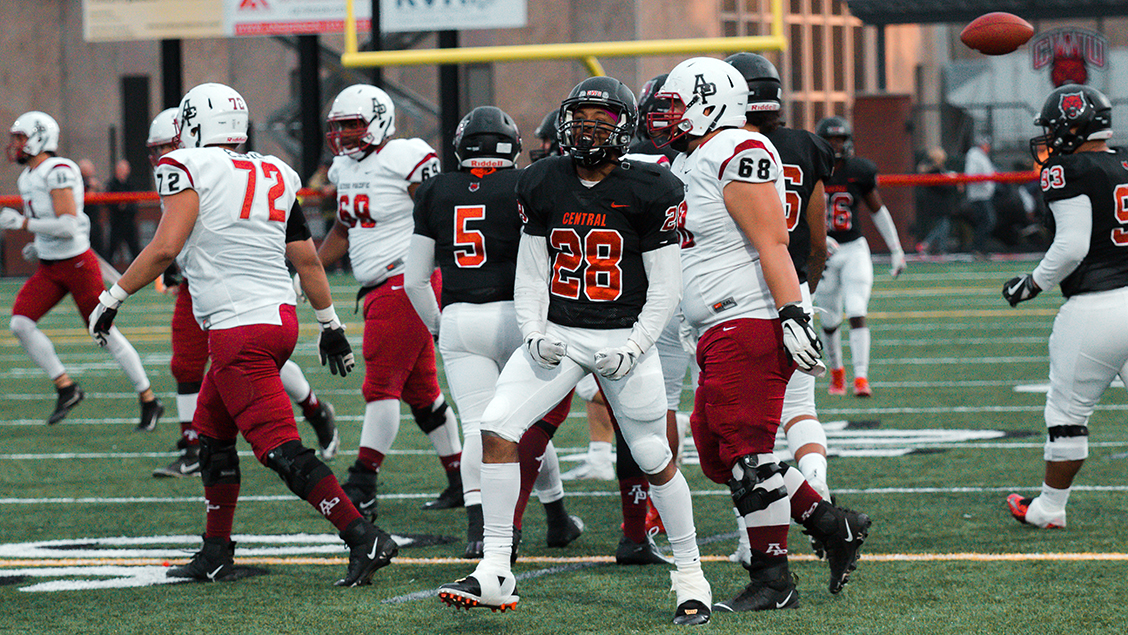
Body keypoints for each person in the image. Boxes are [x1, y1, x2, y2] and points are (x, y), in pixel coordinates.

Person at [87, 82, 396, 586]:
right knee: (212, 436)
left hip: (238, 329)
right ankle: (216, 550)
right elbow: (306, 259)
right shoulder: (275, 170)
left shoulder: (188, 168)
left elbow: (166, 248)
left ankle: (362, 535)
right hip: (278, 321)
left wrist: (111, 298)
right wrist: (331, 325)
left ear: (194, 124)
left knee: (279, 449)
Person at [438, 75, 712, 624]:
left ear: (624, 126)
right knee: (495, 429)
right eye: (581, 118)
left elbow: (665, 286)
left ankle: (691, 575)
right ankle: (495, 569)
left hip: (622, 337)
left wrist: (635, 347)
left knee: (654, 457)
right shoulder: (541, 181)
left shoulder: (651, 189)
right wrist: (533, 330)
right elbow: (533, 270)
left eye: (601, 120)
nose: (588, 128)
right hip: (561, 334)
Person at [648, 56, 870, 612]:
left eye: (676, 105)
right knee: (721, 454)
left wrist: (793, 313)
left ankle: (774, 580)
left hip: (747, 317)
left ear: (708, 103)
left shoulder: (736, 149)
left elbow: (774, 242)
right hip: (716, 323)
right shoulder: (698, 156)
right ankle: (831, 522)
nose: (668, 117)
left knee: (747, 455)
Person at [404, 105, 583, 559]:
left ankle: (485, 530)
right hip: (521, 317)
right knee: (525, 425)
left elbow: (413, 280)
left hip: (462, 317)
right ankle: (553, 516)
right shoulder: (529, 181)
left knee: (478, 428)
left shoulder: (434, 190)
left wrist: (439, 325)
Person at [144, 107, 339, 478]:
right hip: (199, 282)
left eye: (166, 146)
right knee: (187, 363)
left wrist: (115, 296)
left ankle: (314, 409)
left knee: (258, 363)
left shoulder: (213, 169)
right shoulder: (181, 172)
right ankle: (191, 446)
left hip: (244, 286)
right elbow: (177, 238)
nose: (160, 157)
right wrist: (174, 268)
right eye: (157, 149)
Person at [317, 84, 463, 517]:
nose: (343, 135)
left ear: (379, 121)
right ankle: (460, 478)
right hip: (381, 287)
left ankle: (363, 480)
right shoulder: (344, 169)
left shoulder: (404, 157)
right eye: (338, 126)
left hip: (405, 283)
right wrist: (306, 272)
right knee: (423, 394)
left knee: (380, 387)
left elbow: (439, 217)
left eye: (352, 125)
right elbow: (344, 231)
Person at [724, 52, 837, 567]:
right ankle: (819, 493)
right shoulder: (808, 145)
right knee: (799, 410)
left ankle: (756, 542)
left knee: (747, 427)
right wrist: (803, 291)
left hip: (740, 297)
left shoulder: (724, 148)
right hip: (793, 288)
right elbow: (817, 240)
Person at [1003, 85, 1127, 530]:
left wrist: (1031, 285)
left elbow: (1072, 245)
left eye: (1054, 128)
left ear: (1073, 126)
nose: (1051, 137)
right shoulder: (1124, 163)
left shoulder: (1067, 169)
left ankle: (1050, 508)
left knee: (1067, 417)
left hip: (1095, 307)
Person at [0, 111, 163, 430]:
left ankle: (149, 399)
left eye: (20, 138)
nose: (15, 145)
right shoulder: (27, 176)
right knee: (20, 323)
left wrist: (22, 224)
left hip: (76, 265)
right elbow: (51, 225)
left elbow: (67, 224)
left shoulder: (59, 170)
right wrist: (38, 243)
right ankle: (66, 386)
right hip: (50, 266)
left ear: (38, 138)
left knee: (102, 332)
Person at [814, 116, 908, 398]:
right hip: (823, 252)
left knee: (856, 310)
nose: (835, 145)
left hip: (853, 248)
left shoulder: (859, 170)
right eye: (830, 140)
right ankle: (837, 372)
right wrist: (815, 239)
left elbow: (877, 210)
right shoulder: (812, 170)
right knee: (829, 320)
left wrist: (896, 249)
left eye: (840, 139)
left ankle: (861, 378)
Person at [914, 147, 960, 255]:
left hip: (938, 204)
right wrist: (953, 182)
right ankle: (927, 244)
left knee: (944, 225)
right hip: (938, 204)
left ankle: (940, 248)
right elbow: (943, 188)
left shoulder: (937, 171)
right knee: (943, 225)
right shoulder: (933, 172)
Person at [962, 134, 997, 257]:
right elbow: (971, 175)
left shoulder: (981, 156)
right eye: (986, 144)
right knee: (987, 222)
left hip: (985, 195)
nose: (988, 147)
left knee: (986, 222)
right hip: (979, 196)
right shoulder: (974, 156)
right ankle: (977, 249)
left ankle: (980, 249)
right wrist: (984, 184)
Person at [104, 159, 142, 266]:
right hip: (116, 222)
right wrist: (120, 205)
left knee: (135, 249)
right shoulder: (111, 184)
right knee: (111, 250)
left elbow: (134, 203)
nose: (123, 172)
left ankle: (139, 272)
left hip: (129, 222)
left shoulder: (131, 184)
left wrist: (125, 206)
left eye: (125, 169)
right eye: (120, 169)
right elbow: (108, 203)